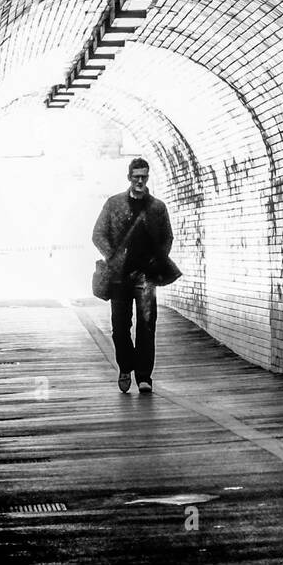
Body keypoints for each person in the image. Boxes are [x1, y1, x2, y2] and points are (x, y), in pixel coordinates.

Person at [91, 158, 173, 394]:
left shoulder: (157, 207)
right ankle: (126, 367)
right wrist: (112, 257)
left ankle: (144, 376)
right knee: (119, 326)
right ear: (129, 177)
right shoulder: (114, 204)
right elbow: (98, 234)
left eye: (144, 177)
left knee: (147, 326)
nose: (140, 181)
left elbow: (167, 237)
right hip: (119, 277)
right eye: (136, 176)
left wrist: (157, 260)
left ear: (148, 178)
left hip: (146, 278)